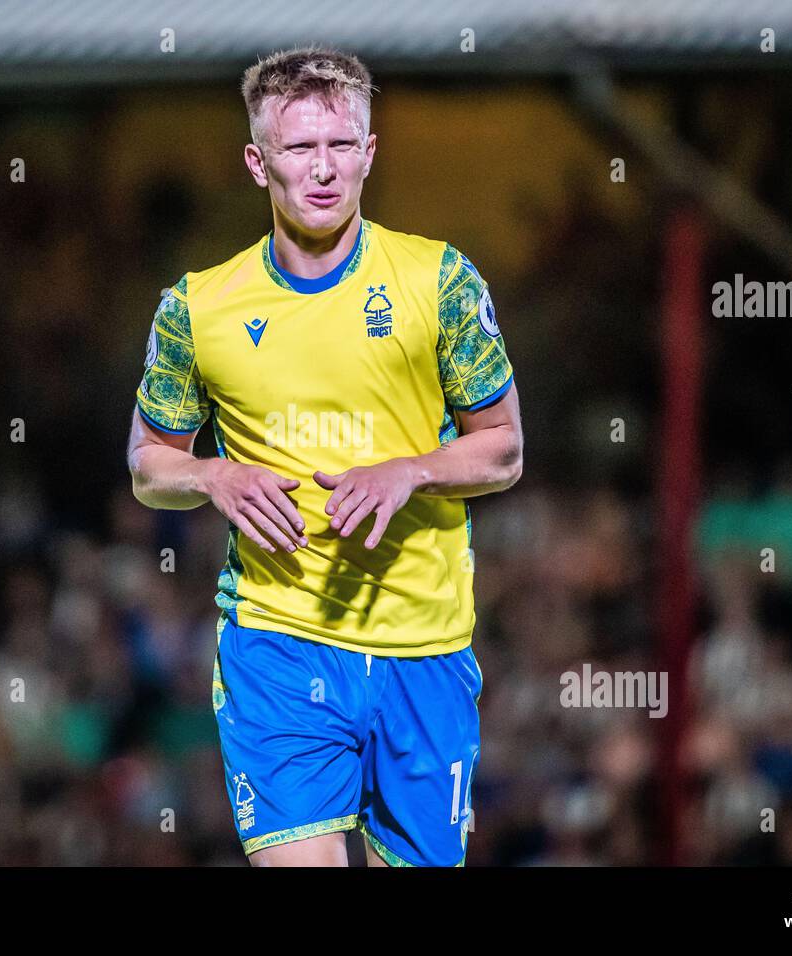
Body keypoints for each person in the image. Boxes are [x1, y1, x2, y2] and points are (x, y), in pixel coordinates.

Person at [127, 46, 522, 866]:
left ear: (369, 152)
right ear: (257, 159)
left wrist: (409, 469)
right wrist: (211, 474)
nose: (323, 170)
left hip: (424, 650)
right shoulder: (198, 308)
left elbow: (504, 448)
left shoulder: (438, 281)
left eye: (342, 146)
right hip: (279, 645)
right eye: (301, 148)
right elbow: (147, 464)